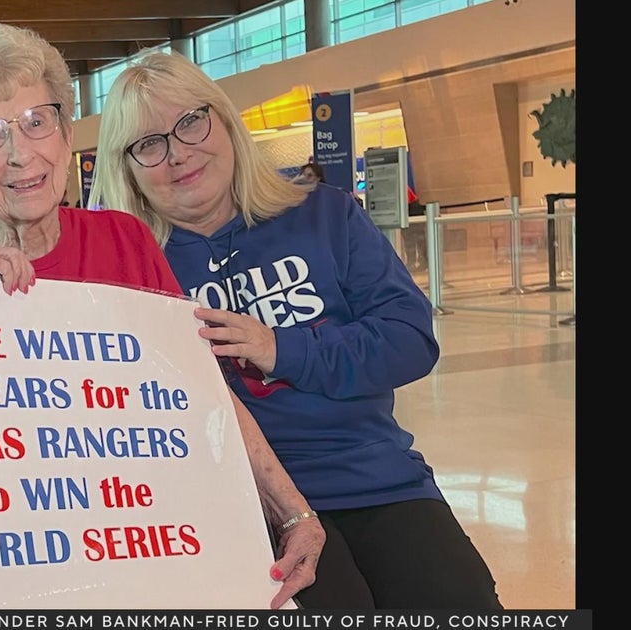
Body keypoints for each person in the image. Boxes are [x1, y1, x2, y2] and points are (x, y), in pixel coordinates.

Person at [0, 21, 324, 609]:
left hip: (154, 543)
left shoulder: (125, 239)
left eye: (36, 122)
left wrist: (294, 514)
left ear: (65, 134)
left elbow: (200, 392)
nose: (22, 153)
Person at [89, 51, 503, 610]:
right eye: (149, 144)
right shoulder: (133, 271)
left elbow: (410, 338)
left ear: (225, 121)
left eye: (191, 121)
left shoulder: (324, 214)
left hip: (375, 475)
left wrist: (283, 349)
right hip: (243, 503)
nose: (178, 153)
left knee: (461, 600)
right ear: (128, 168)